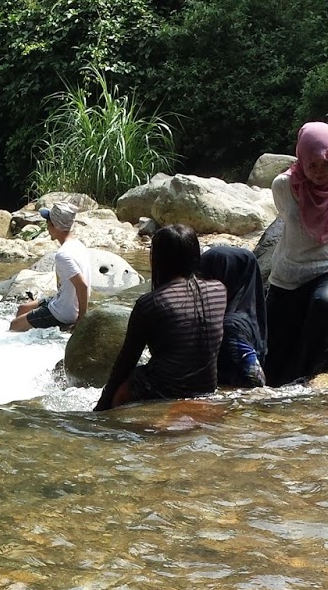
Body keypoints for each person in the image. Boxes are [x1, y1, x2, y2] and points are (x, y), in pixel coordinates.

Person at [95, 224, 226, 411]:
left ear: (159, 260)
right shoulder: (218, 290)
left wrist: (101, 410)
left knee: (123, 391)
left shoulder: (151, 303)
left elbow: (126, 362)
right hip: (206, 386)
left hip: (168, 389)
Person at [263, 123, 328, 384]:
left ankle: (302, 383)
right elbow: (287, 220)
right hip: (287, 273)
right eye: (312, 165)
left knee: (323, 305)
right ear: (301, 159)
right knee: (273, 353)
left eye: (326, 165)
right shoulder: (283, 185)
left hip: (325, 268)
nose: (320, 173)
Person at [9, 202, 91, 332]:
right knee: (23, 308)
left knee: (14, 326)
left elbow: (82, 285)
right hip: (61, 300)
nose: (46, 226)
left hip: (63, 312)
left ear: (56, 226)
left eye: (48, 222)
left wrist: (81, 318)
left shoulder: (63, 255)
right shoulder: (78, 245)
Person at [200, 245, 267, 388]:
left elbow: (256, 379)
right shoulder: (249, 313)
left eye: (207, 275)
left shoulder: (231, 325)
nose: (201, 282)